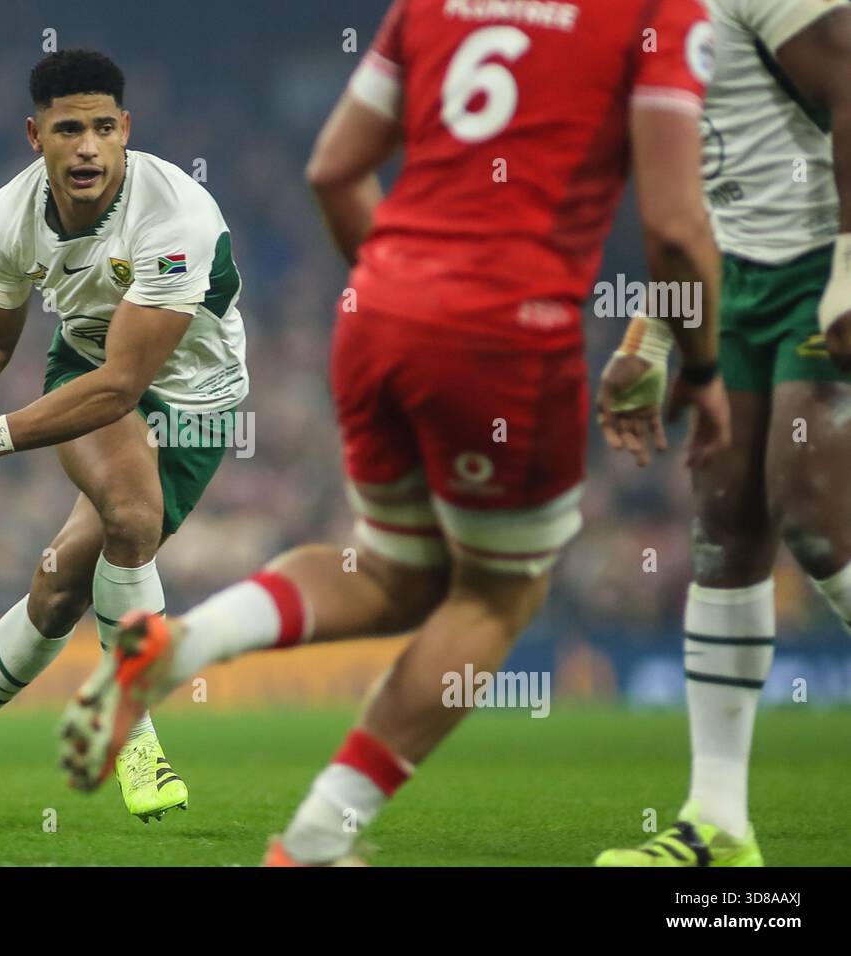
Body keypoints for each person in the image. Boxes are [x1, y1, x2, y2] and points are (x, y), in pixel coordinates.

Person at [58, 0, 729, 865]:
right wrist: (701, 368)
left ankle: (184, 641)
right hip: (509, 328)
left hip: (378, 309)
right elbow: (676, 226)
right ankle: (312, 839)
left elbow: (333, 170)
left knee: (392, 571)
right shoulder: (654, 12)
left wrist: (405, 301)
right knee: (495, 593)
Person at [0, 48, 249, 826]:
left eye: (105, 127)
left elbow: (130, 384)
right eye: (71, 129)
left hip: (194, 400)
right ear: (36, 136)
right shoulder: (6, 218)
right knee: (131, 518)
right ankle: (134, 730)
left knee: (62, 585)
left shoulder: (176, 217)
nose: (90, 147)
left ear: (127, 129)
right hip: (88, 370)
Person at [596, 0, 851, 867]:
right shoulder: (631, 23)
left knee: (810, 507)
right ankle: (717, 824)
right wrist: (651, 337)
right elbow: (690, 192)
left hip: (821, 263)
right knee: (724, 527)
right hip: (734, 282)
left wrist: (850, 269)